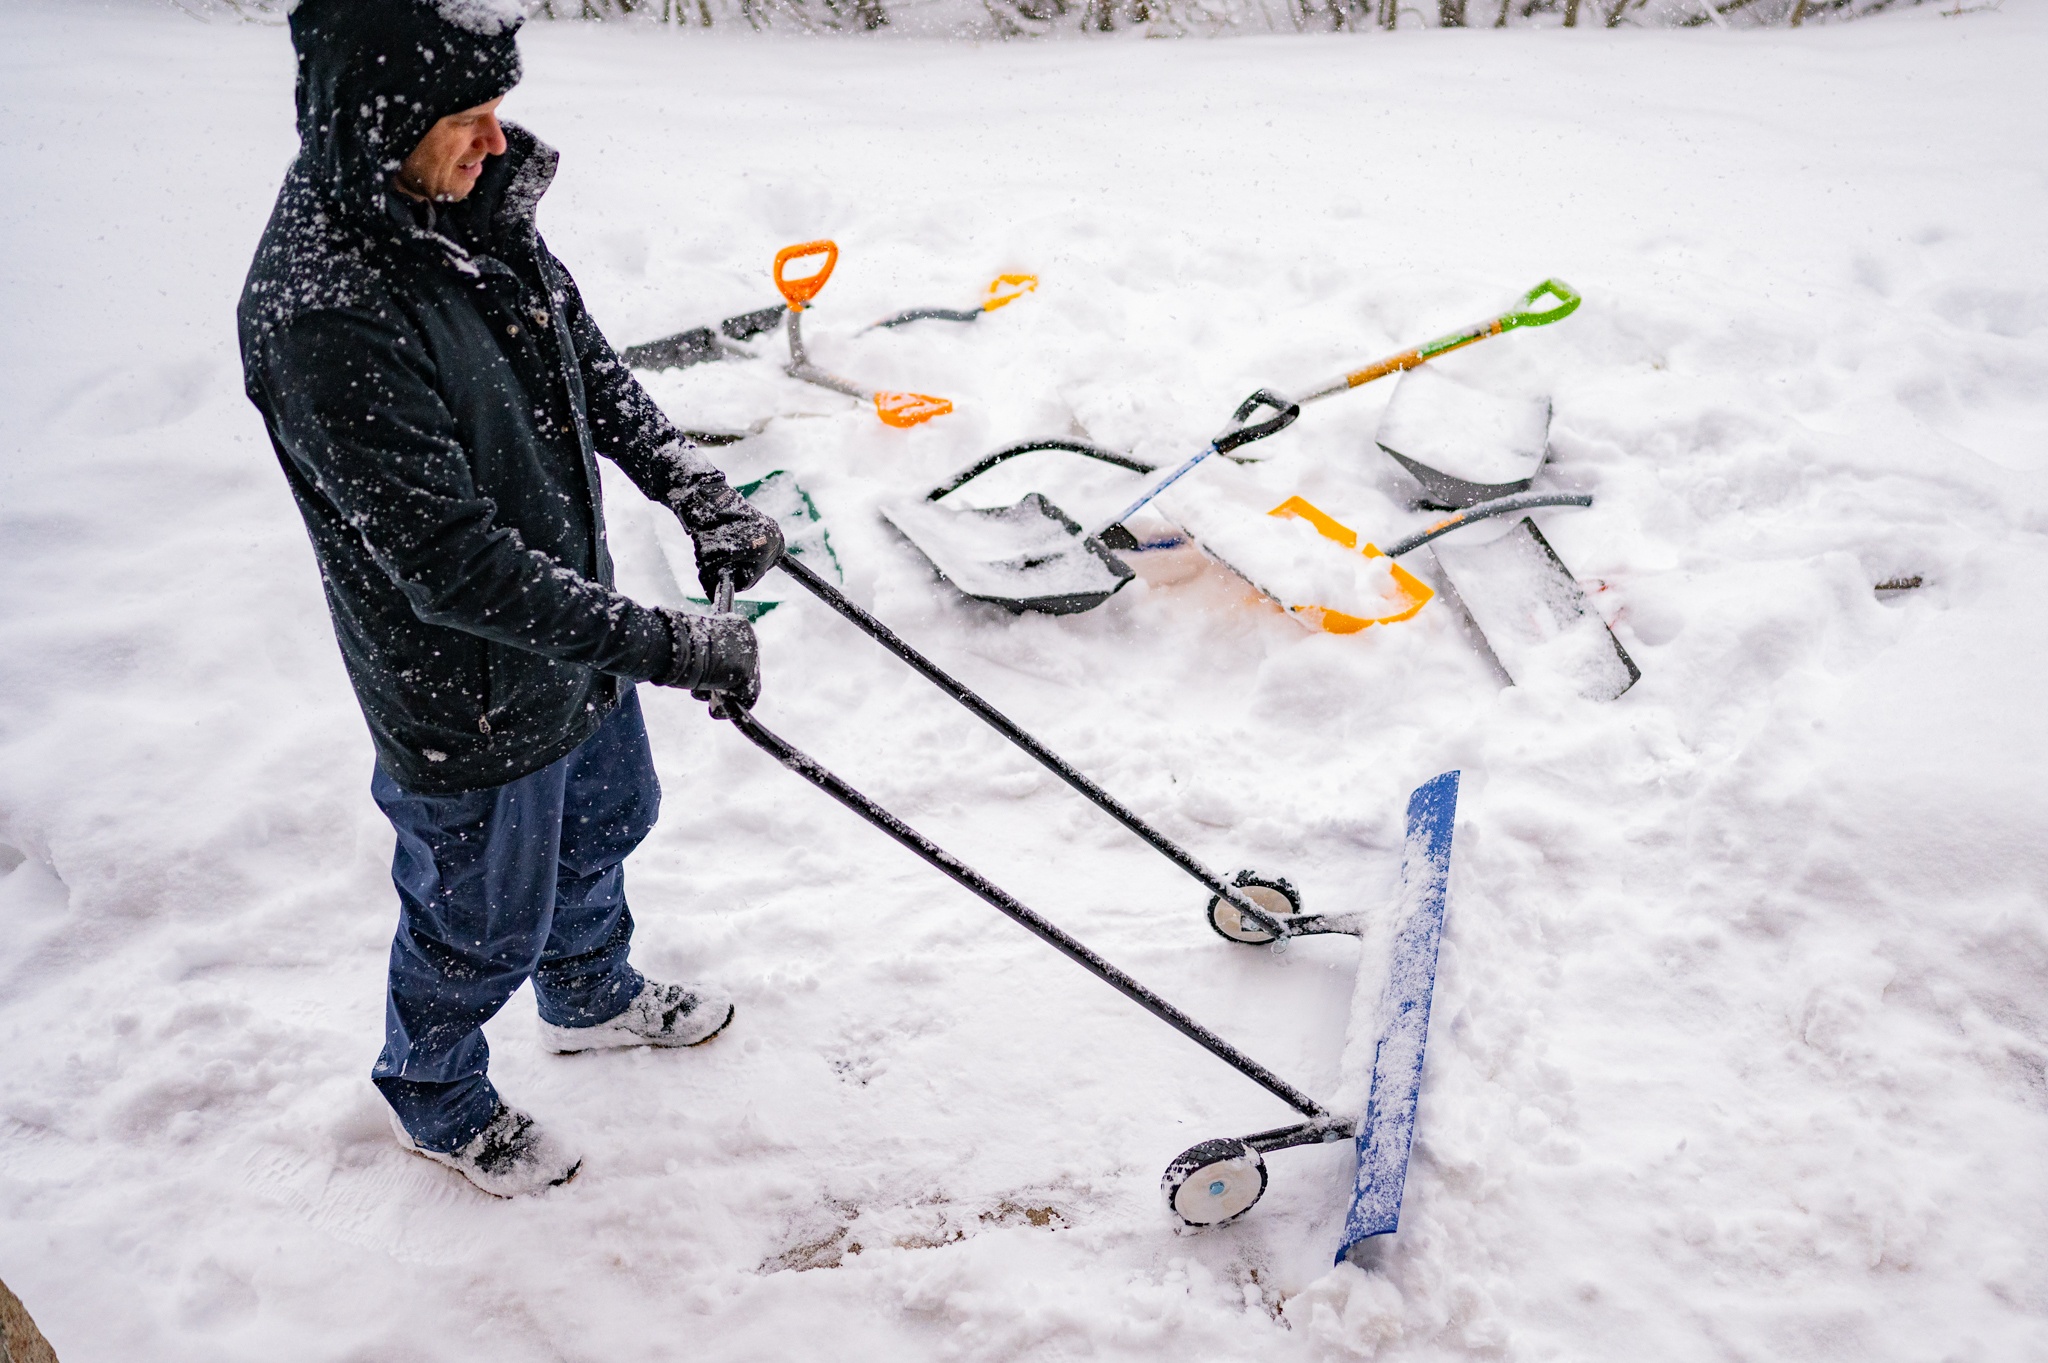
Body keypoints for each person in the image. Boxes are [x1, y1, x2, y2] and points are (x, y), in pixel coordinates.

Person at [237, 0, 781, 1198]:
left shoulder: (462, 213)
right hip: (463, 691)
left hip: (565, 629)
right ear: (378, 128)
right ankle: (437, 1096)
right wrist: (664, 643)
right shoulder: (323, 316)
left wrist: (696, 492)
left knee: (607, 821)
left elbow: (580, 363)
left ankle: (589, 991)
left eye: (499, 114)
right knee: (476, 919)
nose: (497, 142)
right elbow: (452, 568)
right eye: (468, 121)